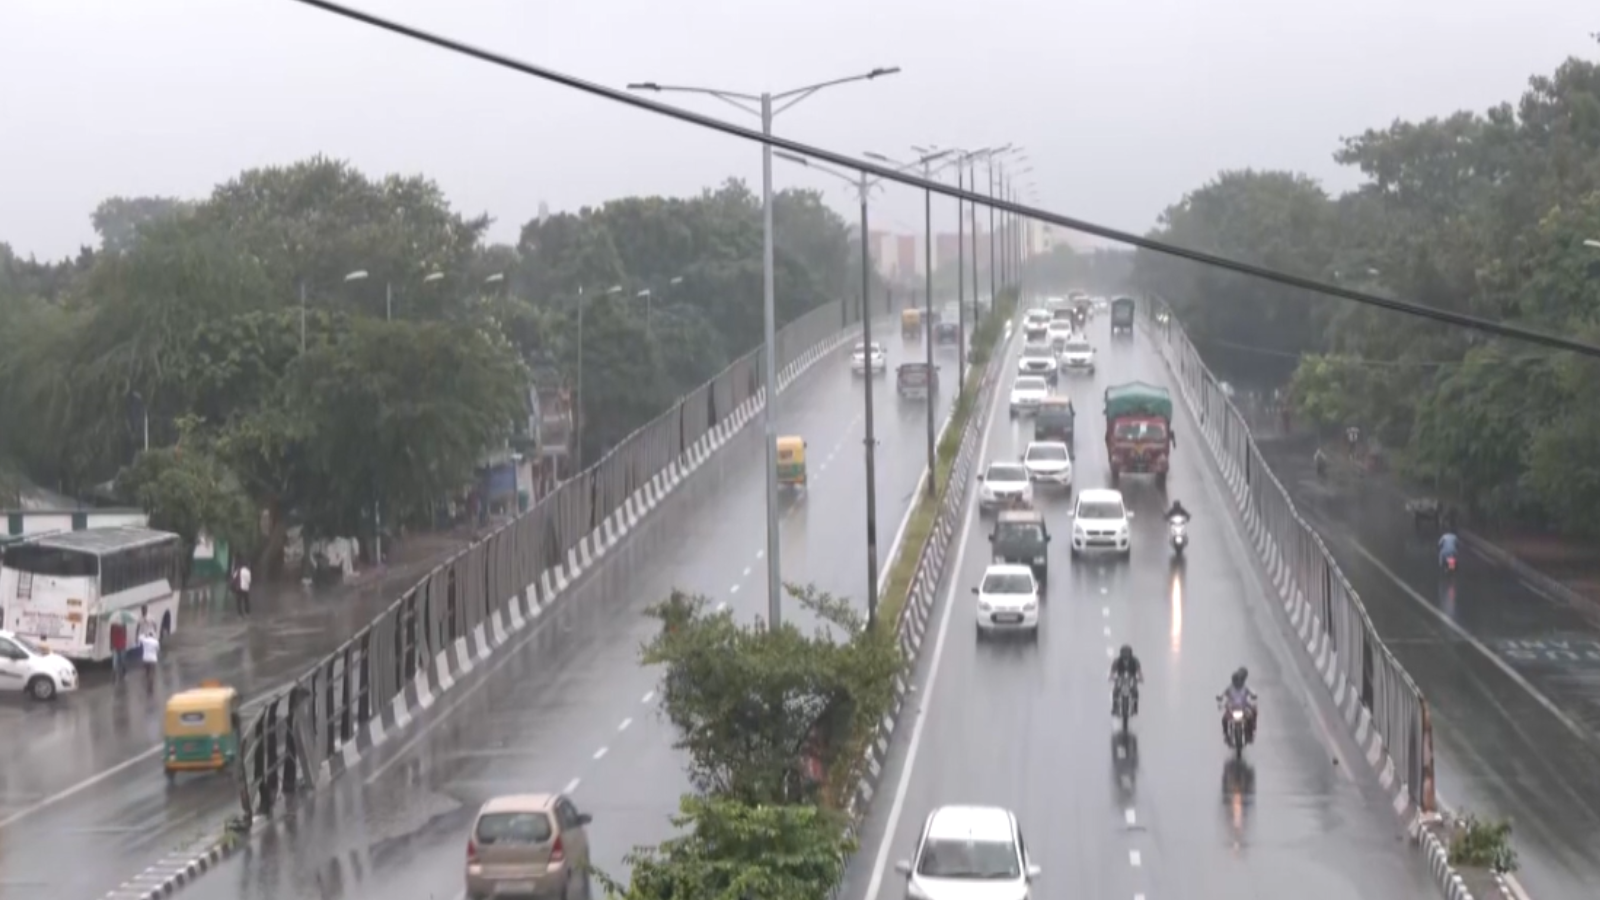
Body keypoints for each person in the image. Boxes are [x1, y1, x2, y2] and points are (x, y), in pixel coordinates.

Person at [1217, 667, 1258, 743]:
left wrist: (1254, 695)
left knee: (1250, 718)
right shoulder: (1229, 688)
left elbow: (1253, 692)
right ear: (1233, 681)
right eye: (1236, 681)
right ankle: (1226, 735)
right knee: (1224, 720)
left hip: (1244, 707)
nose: (1238, 682)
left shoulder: (1245, 687)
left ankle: (1250, 734)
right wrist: (1219, 696)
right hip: (1231, 708)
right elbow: (1221, 693)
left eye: (1239, 680)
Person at [1109, 644, 1143, 714]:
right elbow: (1112, 671)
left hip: (1132, 678)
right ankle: (1115, 707)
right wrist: (1111, 677)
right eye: (1124, 653)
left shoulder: (1135, 661)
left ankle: (1134, 707)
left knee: (1135, 691)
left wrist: (1140, 677)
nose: (1125, 655)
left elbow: (1139, 671)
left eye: (1127, 653)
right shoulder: (1117, 661)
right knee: (1116, 691)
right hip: (1120, 678)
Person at [135, 605, 159, 691]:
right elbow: (138, 627)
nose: (143, 611)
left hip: (150, 636)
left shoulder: (150, 617)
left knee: (150, 651)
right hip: (143, 637)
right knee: (144, 652)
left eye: (144, 610)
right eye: (142, 610)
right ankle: (147, 668)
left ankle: (150, 672)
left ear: (146, 610)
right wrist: (136, 637)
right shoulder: (140, 618)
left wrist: (155, 634)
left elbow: (155, 625)